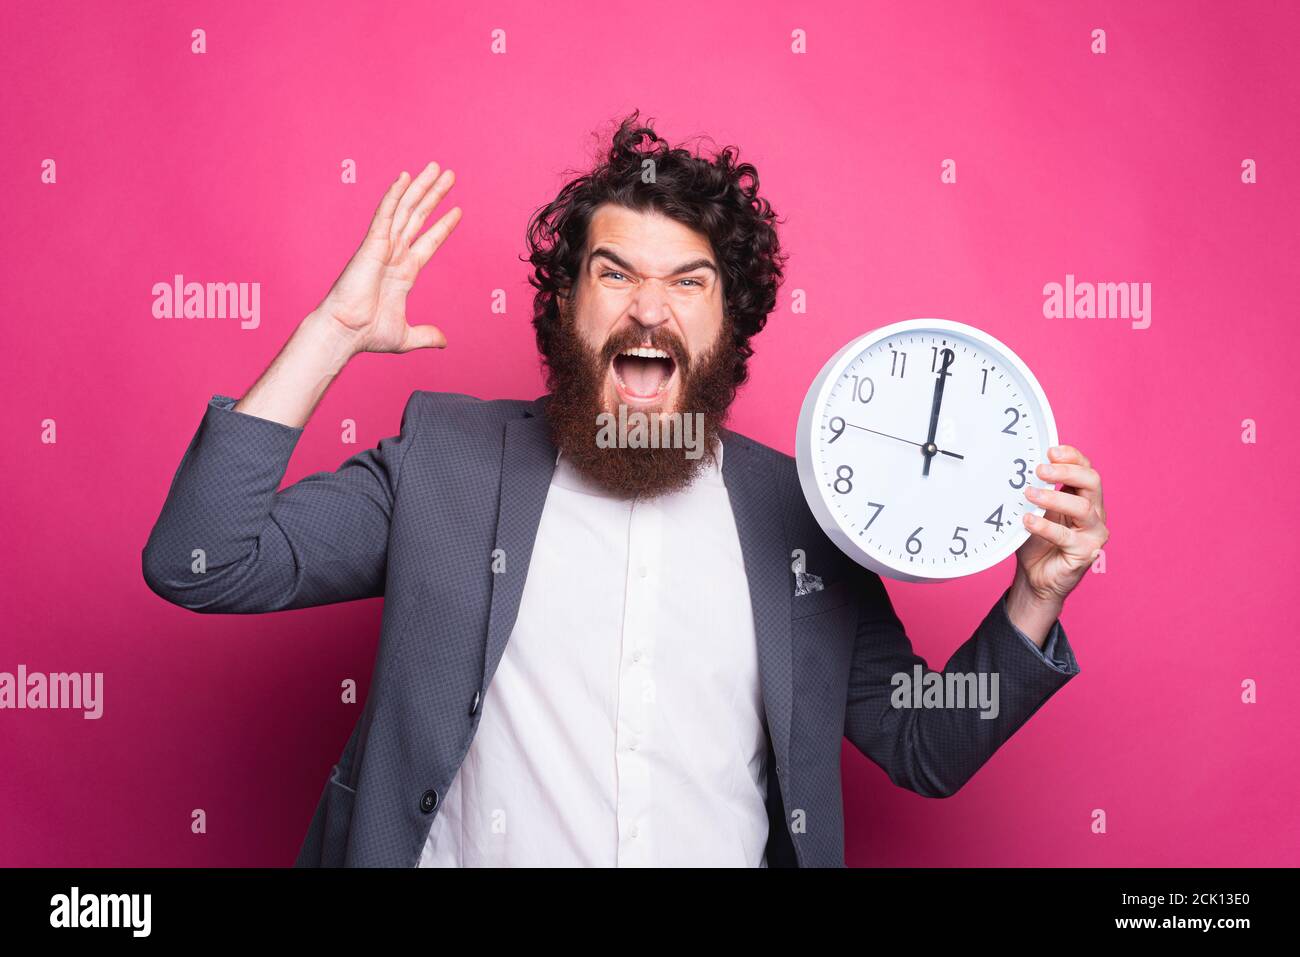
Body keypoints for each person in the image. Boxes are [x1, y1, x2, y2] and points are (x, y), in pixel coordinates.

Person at [142, 112, 1109, 867]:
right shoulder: (446, 462)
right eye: (616, 274)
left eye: (690, 283)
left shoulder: (805, 516)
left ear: (731, 326)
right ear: (566, 305)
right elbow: (202, 562)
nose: (649, 307)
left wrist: (1035, 594)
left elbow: (922, 745)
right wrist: (334, 331)